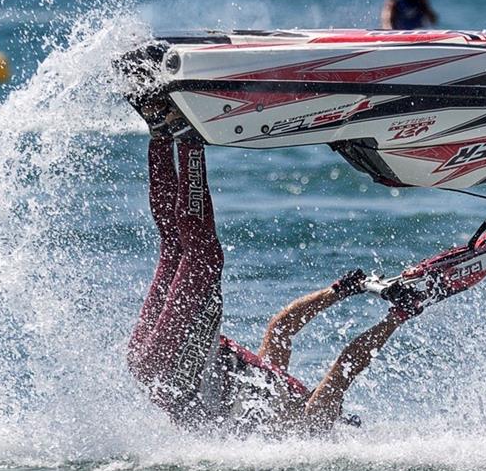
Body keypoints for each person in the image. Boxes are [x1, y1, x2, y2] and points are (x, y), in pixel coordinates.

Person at [124, 95, 421, 434]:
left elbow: (345, 367)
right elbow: (281, 328)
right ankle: (159, 130)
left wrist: (396, 318)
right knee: (176, 248)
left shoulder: (309, 426)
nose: (341, 414)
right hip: (153, 367)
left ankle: (187, 140)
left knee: (203, 257)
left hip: (178, 369)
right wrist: (339, 290)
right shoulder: (271, 387)